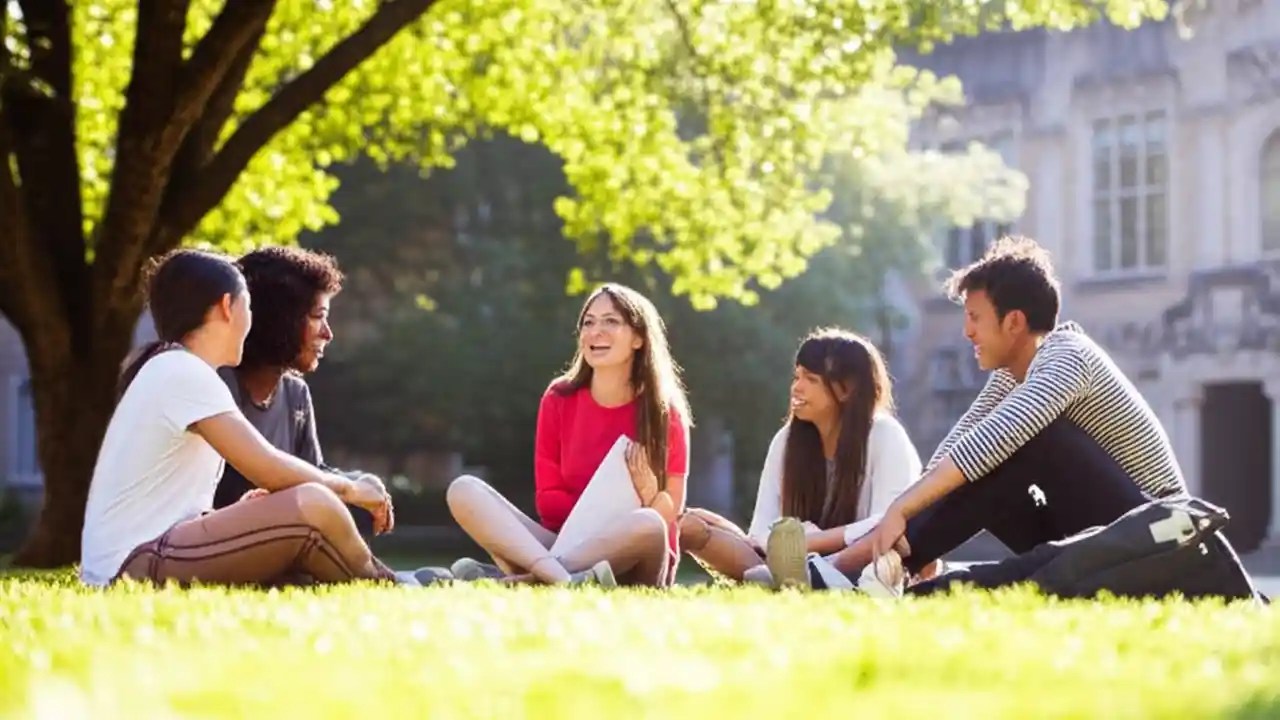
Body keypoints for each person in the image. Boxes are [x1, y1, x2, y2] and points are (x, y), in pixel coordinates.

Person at [764, 236, 1188, 592]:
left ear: (1014, 322)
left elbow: (991, 443)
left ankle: (847, 571)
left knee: (1031, 442)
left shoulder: (1068, 359)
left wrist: (899, 514)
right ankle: (873, 569)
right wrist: (910, 519)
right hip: (1098, 534)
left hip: (1160, 534)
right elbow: (960, 446)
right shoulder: (1013, 375)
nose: (967, 331)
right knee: (982, 463)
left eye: (975, 317)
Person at [79, 249, 400, 588]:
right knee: (314, 504)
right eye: (248, 307)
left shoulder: (176, 368)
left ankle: (386, 582)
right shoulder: (182, 371)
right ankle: (389, 584)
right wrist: (352, 488)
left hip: (148, 555)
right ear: (226, 307)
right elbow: (266, 465)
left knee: (307, 508)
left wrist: (244, 513)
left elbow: (172, 502)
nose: (253, 321)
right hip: (132, 565)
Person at [441, 283, 692, 587]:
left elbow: (672, 509)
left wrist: (649, 495)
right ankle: (564, 578)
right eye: (589, 322)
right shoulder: (558, 398)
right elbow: (548, 500)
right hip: (564, 541)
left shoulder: (664, 411)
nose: (595, 331)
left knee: (648, 522)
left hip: (636, 553)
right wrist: (587, 523)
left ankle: (533, 577)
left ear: (639, 338)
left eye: (611, 321)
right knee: (463, 489)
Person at [677, 328, 920, 583]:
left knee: (878, 542)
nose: (796, 388)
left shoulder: (885, 436)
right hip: (787, 559)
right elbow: (760, 533)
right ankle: (792, 578)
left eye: (811, 379)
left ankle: (801, 578)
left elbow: (888, 526)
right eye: (796, 376)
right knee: (693, 525)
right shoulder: (786, 441)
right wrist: (802, 544)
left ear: (846, 389)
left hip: (864, 565)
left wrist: (807, 542)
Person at [210, 246, 378, 536]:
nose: (328, 333)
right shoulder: (216, 386)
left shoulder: (295, 394)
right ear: (280, 319)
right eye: (317, 316)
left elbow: (313, 472)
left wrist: (366, 487)